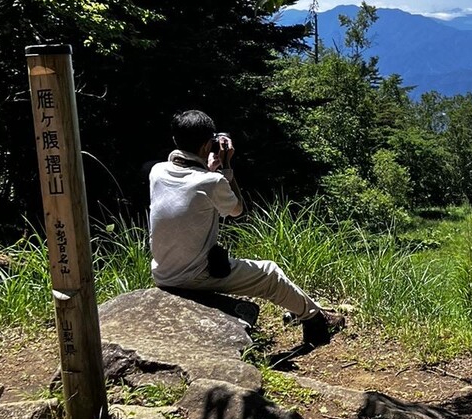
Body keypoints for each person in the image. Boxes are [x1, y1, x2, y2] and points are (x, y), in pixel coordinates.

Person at [148, 109, 345, 347]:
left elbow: (189, 184)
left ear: (175, 140)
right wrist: (226, 167)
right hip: (192, 275)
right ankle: (316, 320)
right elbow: (237, 209)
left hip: (162, 272)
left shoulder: (157, 172)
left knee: (268, 272)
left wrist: (208, 167)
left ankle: (305, 308)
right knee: (269, 273)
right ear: (206, 145)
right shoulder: (212, 181)